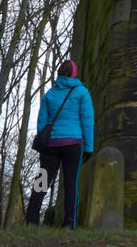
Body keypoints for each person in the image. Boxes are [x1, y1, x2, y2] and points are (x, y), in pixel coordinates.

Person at [25, 59, 94, 228]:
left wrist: (44, 144)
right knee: (71, 184)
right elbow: (87, 121)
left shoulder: (50, 94)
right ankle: (69, 223)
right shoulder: (82, 92)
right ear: (73, 73)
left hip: (50, 145)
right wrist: (89, 147)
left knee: (41, 181)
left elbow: (42, 122)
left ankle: (31, 221)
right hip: (73, 145)